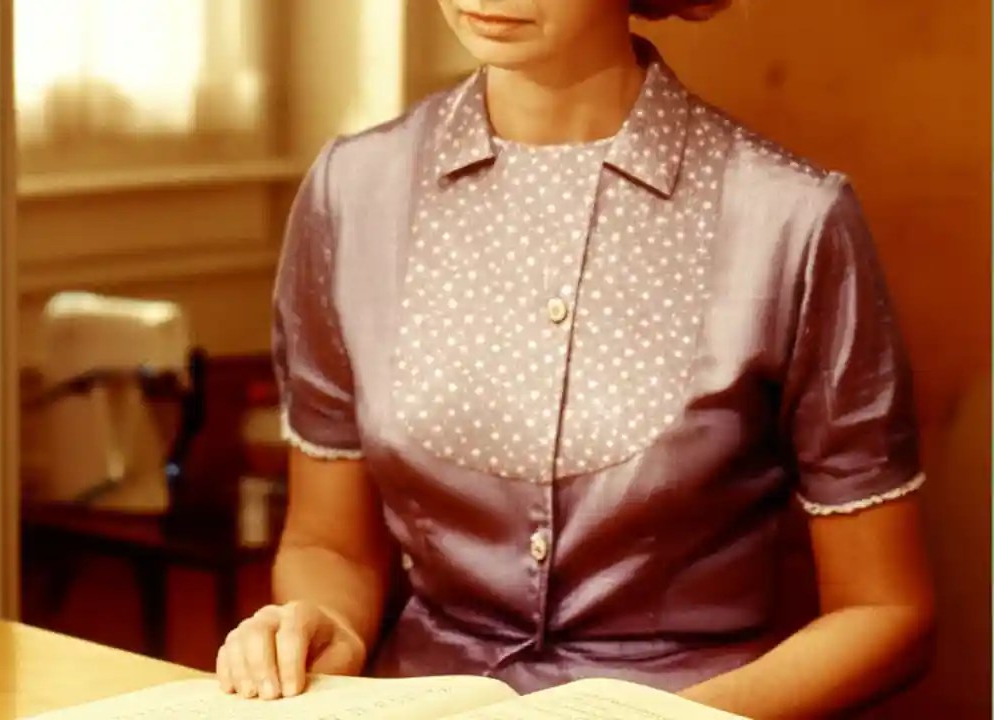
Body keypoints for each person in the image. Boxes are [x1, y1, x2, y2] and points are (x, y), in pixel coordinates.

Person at [217, 1, 936, 716]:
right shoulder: (352, 191)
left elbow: (884, 610)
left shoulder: (792, 220)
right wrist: (327, 625)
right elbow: (330, 546)